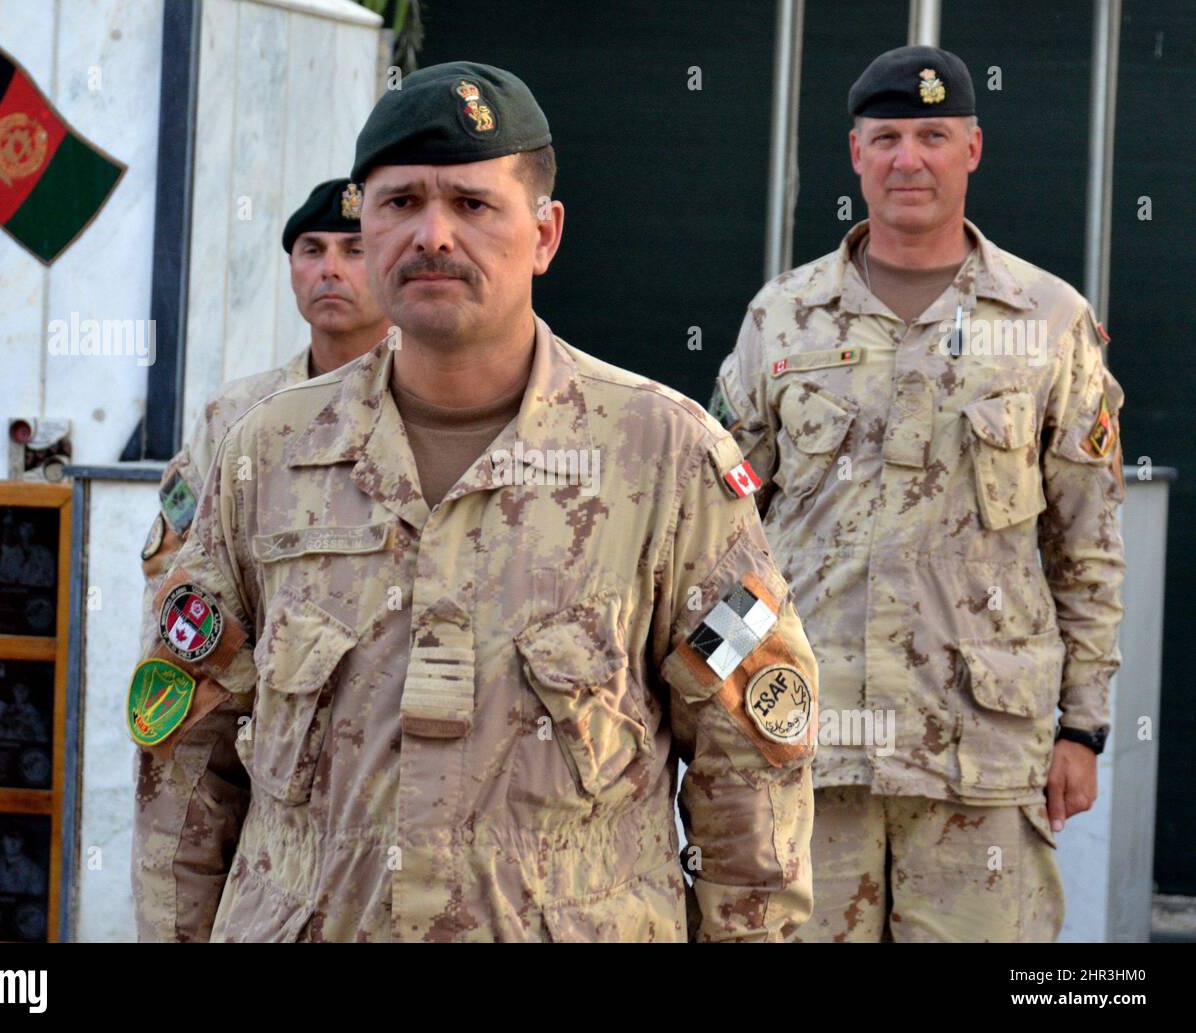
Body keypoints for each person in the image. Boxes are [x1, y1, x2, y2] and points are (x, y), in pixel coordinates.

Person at [130, 61, 819, 942]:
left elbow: (749, 756)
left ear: (544, 233)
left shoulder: (666, 459)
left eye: (472, 205)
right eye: (400, 202)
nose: (432, 236)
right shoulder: (262, 454)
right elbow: (186, 751)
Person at [711, 45, 1125, 942]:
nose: (910, 158)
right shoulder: (780, 319)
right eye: (888, 136)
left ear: (972, 149)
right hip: (809, 750)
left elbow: (1086, 545)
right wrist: (717, 707)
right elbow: (722, 535)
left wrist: (1083, 730)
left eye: (933, 135)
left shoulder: (1048, 323)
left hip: (979, 757)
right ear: (854, 153)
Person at [139, 177, 390, 611]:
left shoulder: (433, 404)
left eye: (355, 250)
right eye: (312, 250)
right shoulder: (233, 415)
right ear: (292, 268)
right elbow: (173, 570)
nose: (330, 268)